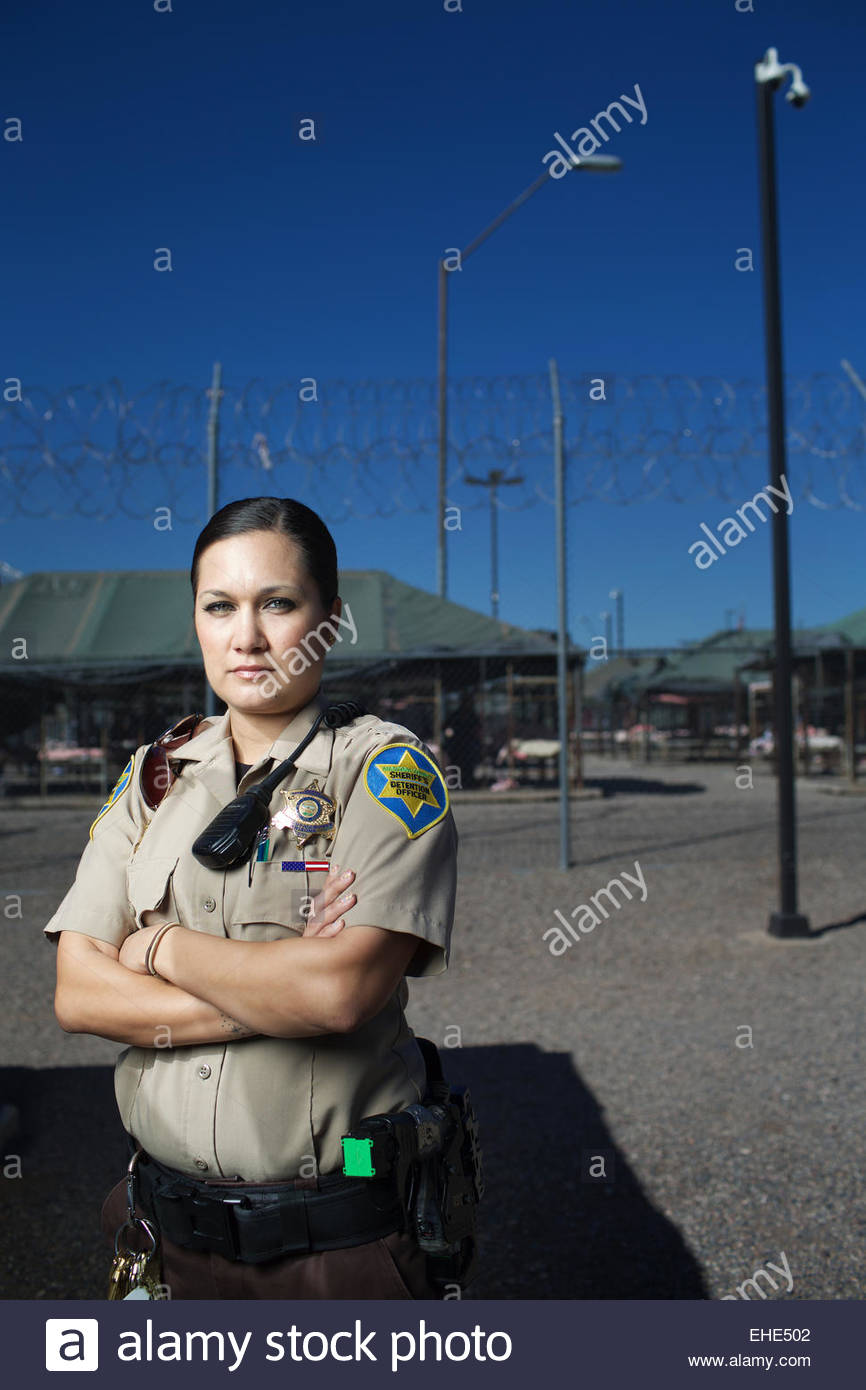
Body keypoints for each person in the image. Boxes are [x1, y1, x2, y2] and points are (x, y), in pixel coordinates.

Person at [43, 496, 459, 1300]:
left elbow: (339, 995)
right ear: (196, 620)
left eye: (277, 603)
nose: (247, 637)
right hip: (165, 1234)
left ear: (329, 620)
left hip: (335, 1250)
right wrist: (281, 987)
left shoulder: (385, 771)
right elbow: (79, 993)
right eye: (220, 606)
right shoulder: (154, 778)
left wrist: (157, 948)